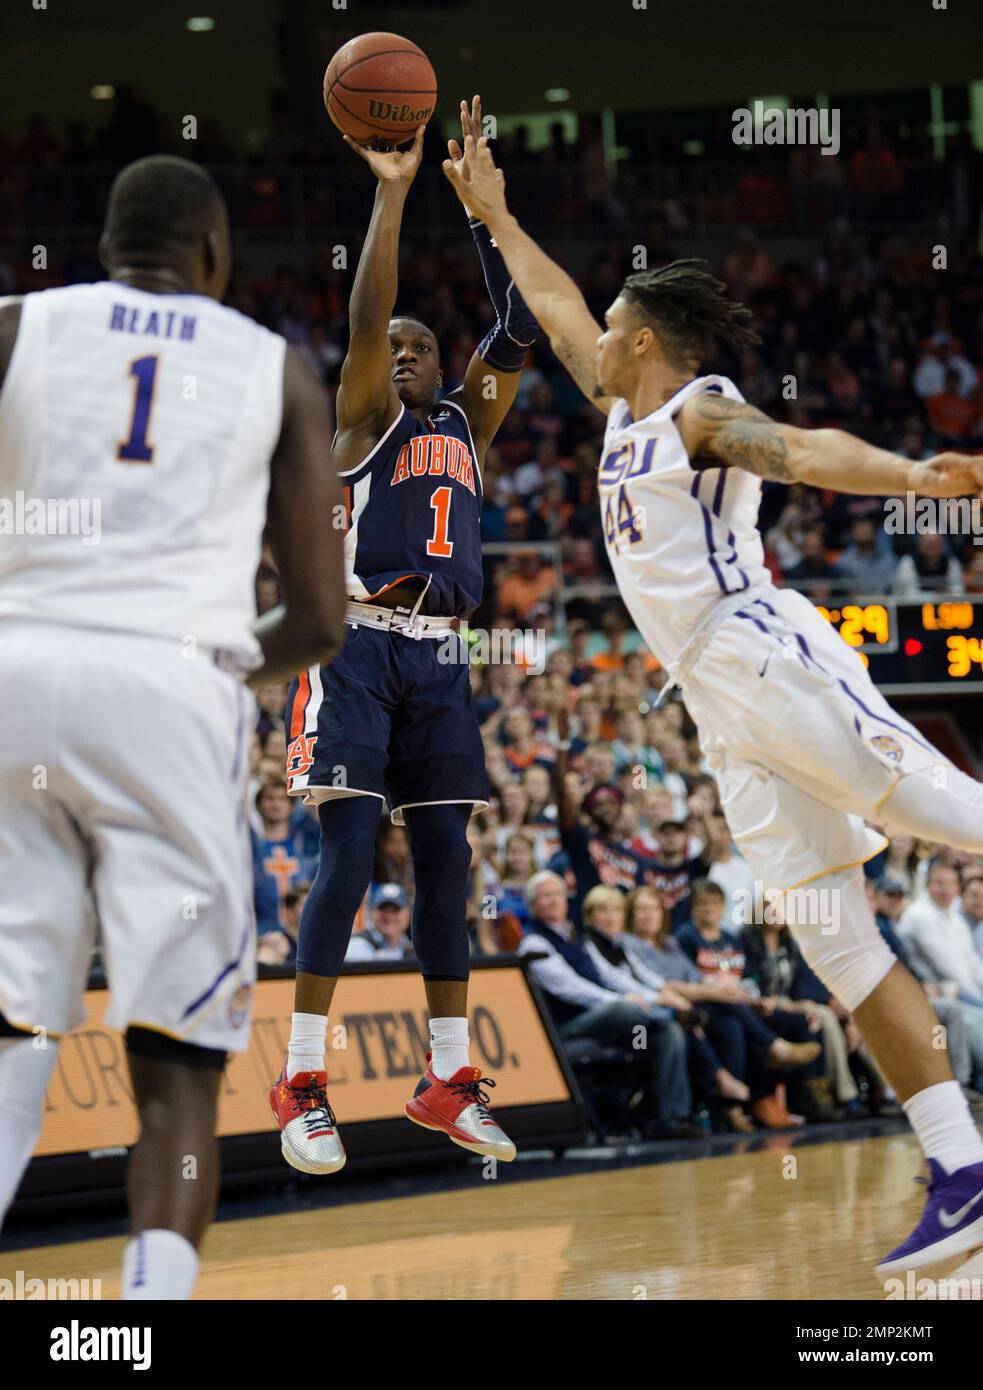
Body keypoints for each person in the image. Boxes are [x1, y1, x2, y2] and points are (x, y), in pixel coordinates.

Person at [442, 131, 983, 1274]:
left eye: (609, 330)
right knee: (833, 938)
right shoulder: (625, 411)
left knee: (944, 813)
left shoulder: (699, 412)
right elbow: (548, 305)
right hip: (713, 699)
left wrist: (911, 475)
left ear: (638, 340)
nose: (591, 343)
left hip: (764, 654)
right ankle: (962, 1170)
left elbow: (792, 447)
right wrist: (491, 215)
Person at [0, 155, 346, 1298]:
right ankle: (146, 1313)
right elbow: (318, 616)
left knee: (7, 1020)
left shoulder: (17, 325)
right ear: (213, 258)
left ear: (104, 249)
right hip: (170, 687)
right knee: (178, 1056)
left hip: (14, 665)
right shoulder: (276, 367)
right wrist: (221, 664)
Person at [272, 99, 539, 1173]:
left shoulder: (467, 423)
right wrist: (392, 193)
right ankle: (301, 1077)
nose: (411, 352)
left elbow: (517, 324)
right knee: (346, 853)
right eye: (397, 348)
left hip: (441, 658)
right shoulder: (360, 417)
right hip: (356, 647)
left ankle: (444, 1075)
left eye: (425, 345)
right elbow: (368, 306)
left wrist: (484, 208)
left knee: (445, 860)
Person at [517, 873, 699, 1140]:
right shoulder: (534, 943)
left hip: (606, 1020)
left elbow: (611, 976)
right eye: (545, 896)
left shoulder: (577, 939)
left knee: (667, 1031)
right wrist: (619, 1001)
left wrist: (652, 997)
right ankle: (669, 1015)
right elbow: (571, 988)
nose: (554, 900)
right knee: (625, 1011)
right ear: (532, 906)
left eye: (558, 893)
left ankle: (670, 1119)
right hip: (567, 1027)